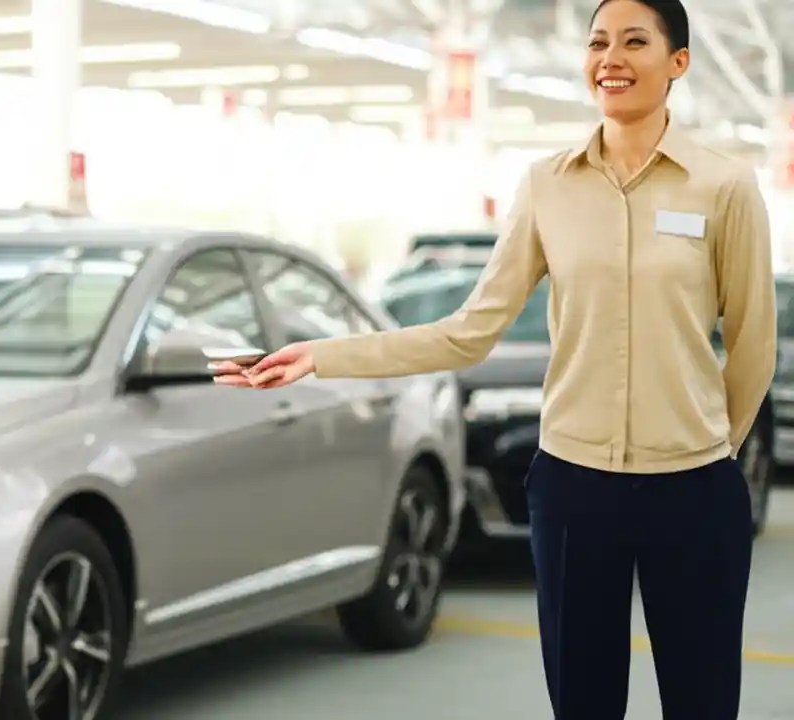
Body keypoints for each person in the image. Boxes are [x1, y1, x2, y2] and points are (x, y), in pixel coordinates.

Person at [217, 1, 774, 718]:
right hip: (575, 488)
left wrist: (708, 448)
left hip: (693, 489)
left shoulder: (724, 186)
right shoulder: (549, 184)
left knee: (703, 702)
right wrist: (323, 356)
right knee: (583, 702)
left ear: (678, 62)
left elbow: (753, 342)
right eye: (598, 42)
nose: (611, 58)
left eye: (635, 41)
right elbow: (469, 332)